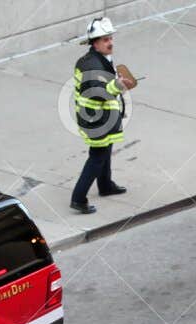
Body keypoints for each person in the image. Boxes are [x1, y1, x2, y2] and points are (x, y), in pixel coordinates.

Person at [69, 17, 135, 214]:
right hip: (96, 120)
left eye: (111, 38)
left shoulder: (99, 59)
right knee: (97, 157)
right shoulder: (91, 65)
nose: (110, 42)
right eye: (105, 39)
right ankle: (78, 198)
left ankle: (105, 185)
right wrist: (118, 85)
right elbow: (97, 92)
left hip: (102, 117)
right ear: (95, 43)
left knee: (106, 150)